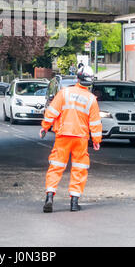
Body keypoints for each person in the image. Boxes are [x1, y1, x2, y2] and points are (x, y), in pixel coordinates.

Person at [40, 65, 102, 212]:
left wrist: (45, 126)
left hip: (63, 135)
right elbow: (95, 122)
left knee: (56, 166)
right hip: (80, 137)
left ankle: (49, 197)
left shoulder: (64, 93)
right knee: (79, 168)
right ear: (90, 82)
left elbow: (52, 111)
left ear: (78, 78)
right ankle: (74, 202)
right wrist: (96, 140)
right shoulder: (91, 99)